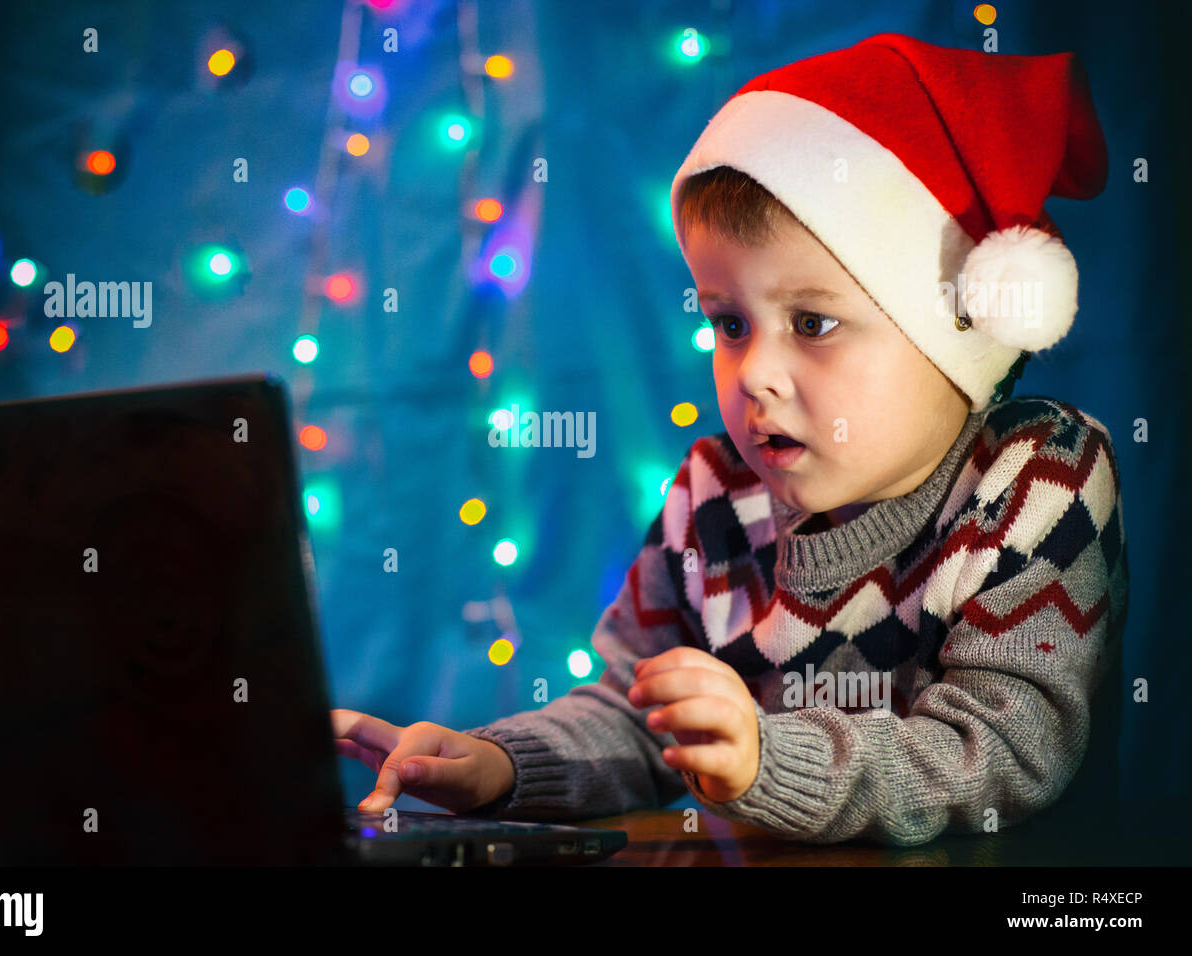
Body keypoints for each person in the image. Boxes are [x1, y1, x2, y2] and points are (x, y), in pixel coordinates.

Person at [332, 32, 1128, 845]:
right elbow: (636, 715)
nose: (755, 374)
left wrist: (765, 761)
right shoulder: (713, 494)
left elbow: (1004, 749)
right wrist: (500, 765)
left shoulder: (1035, 479)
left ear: (956, 333)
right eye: (730, 323)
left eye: (813, 323)